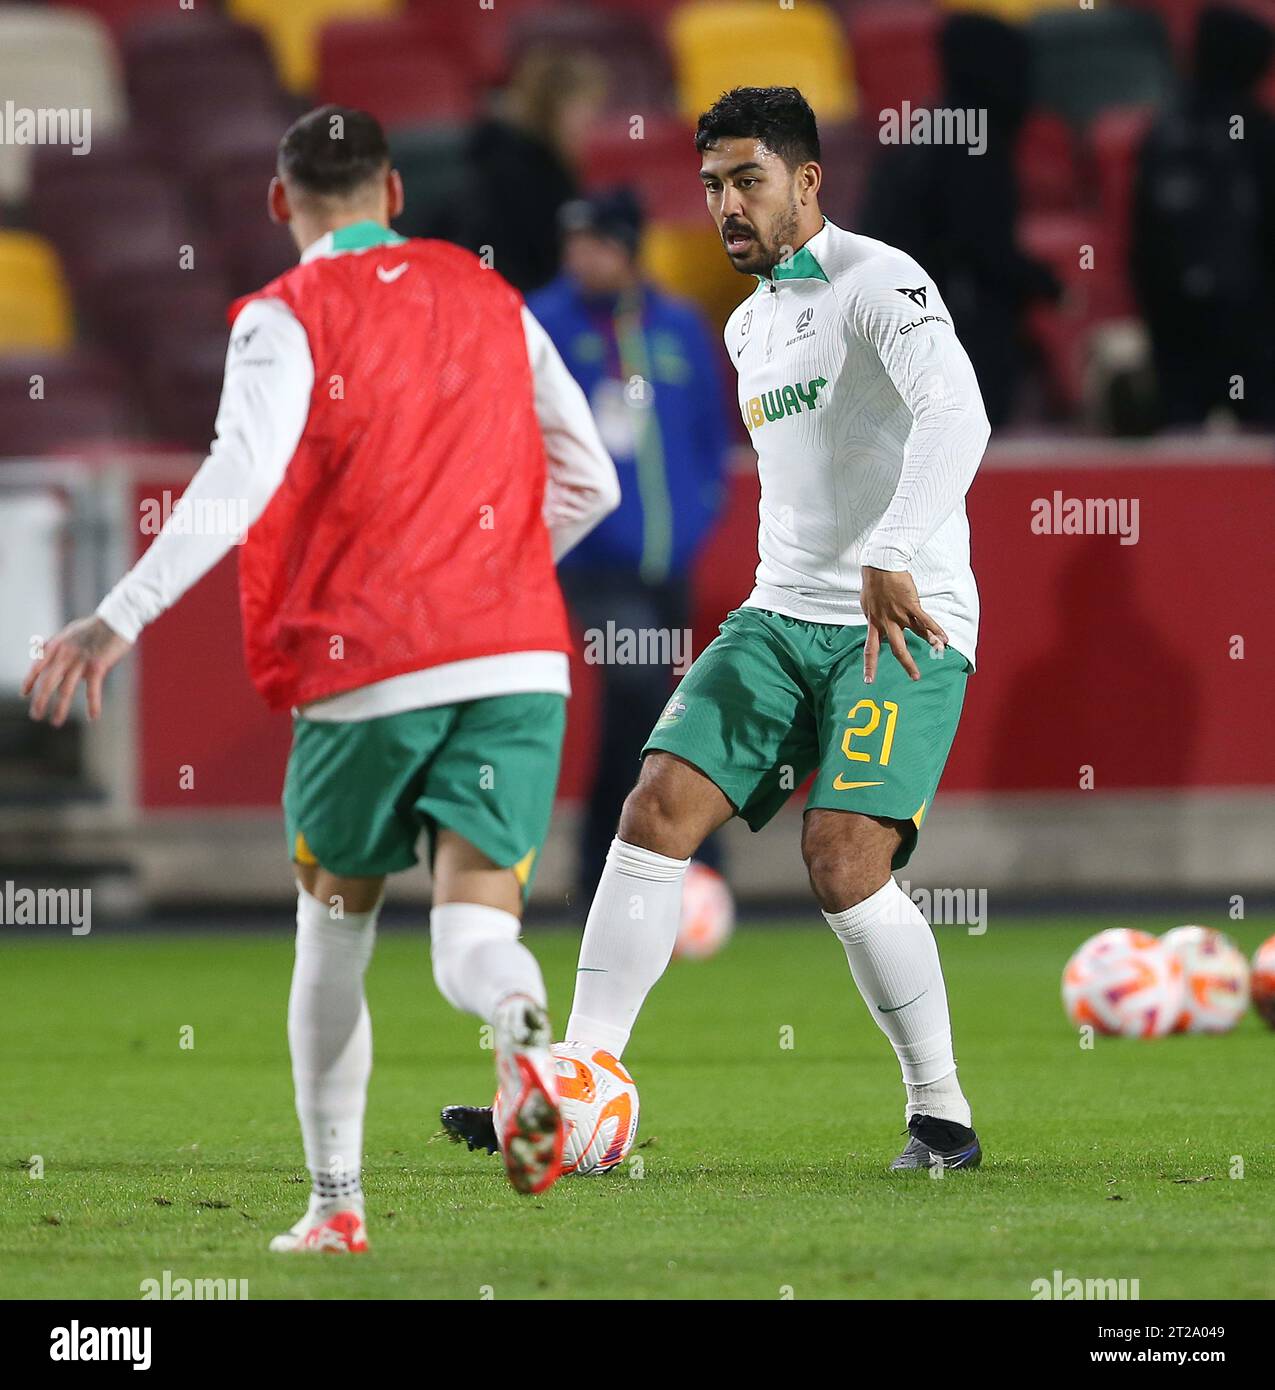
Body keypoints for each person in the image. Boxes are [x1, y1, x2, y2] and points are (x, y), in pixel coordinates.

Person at [22, 106, 619, 1250]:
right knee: (470, 932)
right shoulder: (496, 297)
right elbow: (588, 479)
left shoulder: (285, 317)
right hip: (515, 656)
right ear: (395, 193)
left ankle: (337, 1205)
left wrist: (116, 615)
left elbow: (238, 479)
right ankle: (521, 1030)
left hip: (369, 665)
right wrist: (483, 576)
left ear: (278, 202)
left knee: (333, 933)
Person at [442, 86, 991, 1174]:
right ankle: (584, 1082)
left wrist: (892, 545)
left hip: (905, 617)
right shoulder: (745, 322)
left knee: (839, 856)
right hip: (779, 614)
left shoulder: (883, 282)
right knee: (653, 808)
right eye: (711, 185)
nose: (726, 204)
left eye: (747, 179)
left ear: (807, 181)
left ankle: (943, 1113)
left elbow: (957, 413)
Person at [528, 188, 730, 899]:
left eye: (596, 242)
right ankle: (693, 860)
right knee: (646, 688)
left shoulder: (677, 327)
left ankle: (602, 868)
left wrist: (701, 514)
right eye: (572, 242)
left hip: (669, 564)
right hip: (591, 562)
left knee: (643, 708)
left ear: (628, 248)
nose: (581, 257)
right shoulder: (542, 325)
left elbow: (711, 438)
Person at [858, 13, 1060, 427]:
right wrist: (1047, 285)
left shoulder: (923, 133)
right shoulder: (975, 146)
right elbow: (981, 247)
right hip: (956, 342)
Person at [1131, 2, 1275, 427]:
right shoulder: (1258, 131)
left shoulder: (1166, 128)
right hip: (1250, 324)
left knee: (1181, 438)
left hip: (1177, 324)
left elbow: (1143, 242)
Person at [444, 47, 609, 294]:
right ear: (555, 109)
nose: (591, 122)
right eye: (585, 109)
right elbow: (521, 267)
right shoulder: (510, 176)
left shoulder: (547, 167)